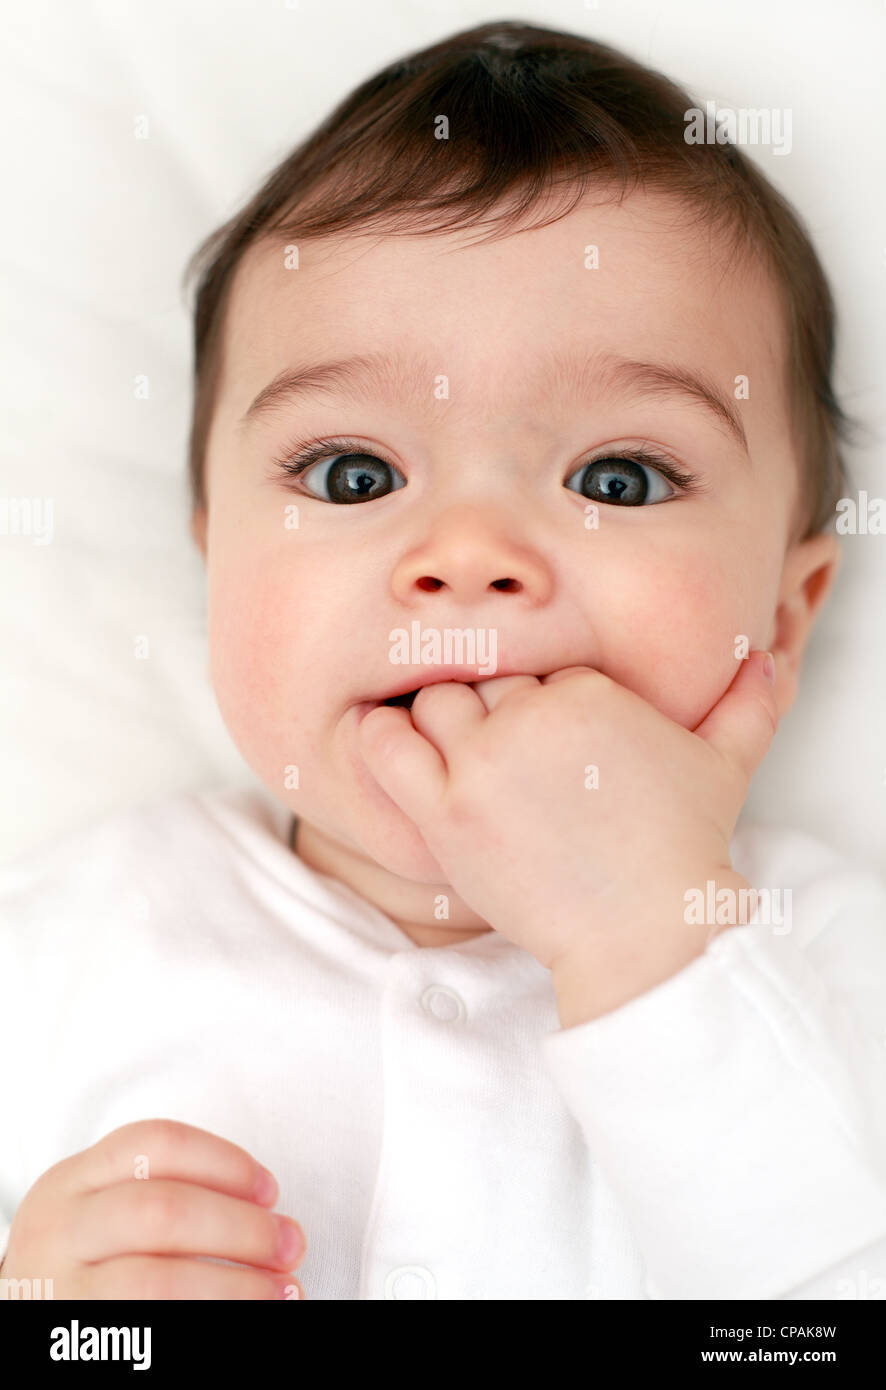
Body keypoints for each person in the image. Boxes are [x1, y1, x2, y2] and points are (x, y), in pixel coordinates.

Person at [2, 20, 885, 1301]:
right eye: (352, 475)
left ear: (789, 616)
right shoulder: (57, 956)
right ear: (216, 564)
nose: (467, 554)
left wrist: (651, 945)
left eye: (618, 478)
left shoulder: (830, 966)